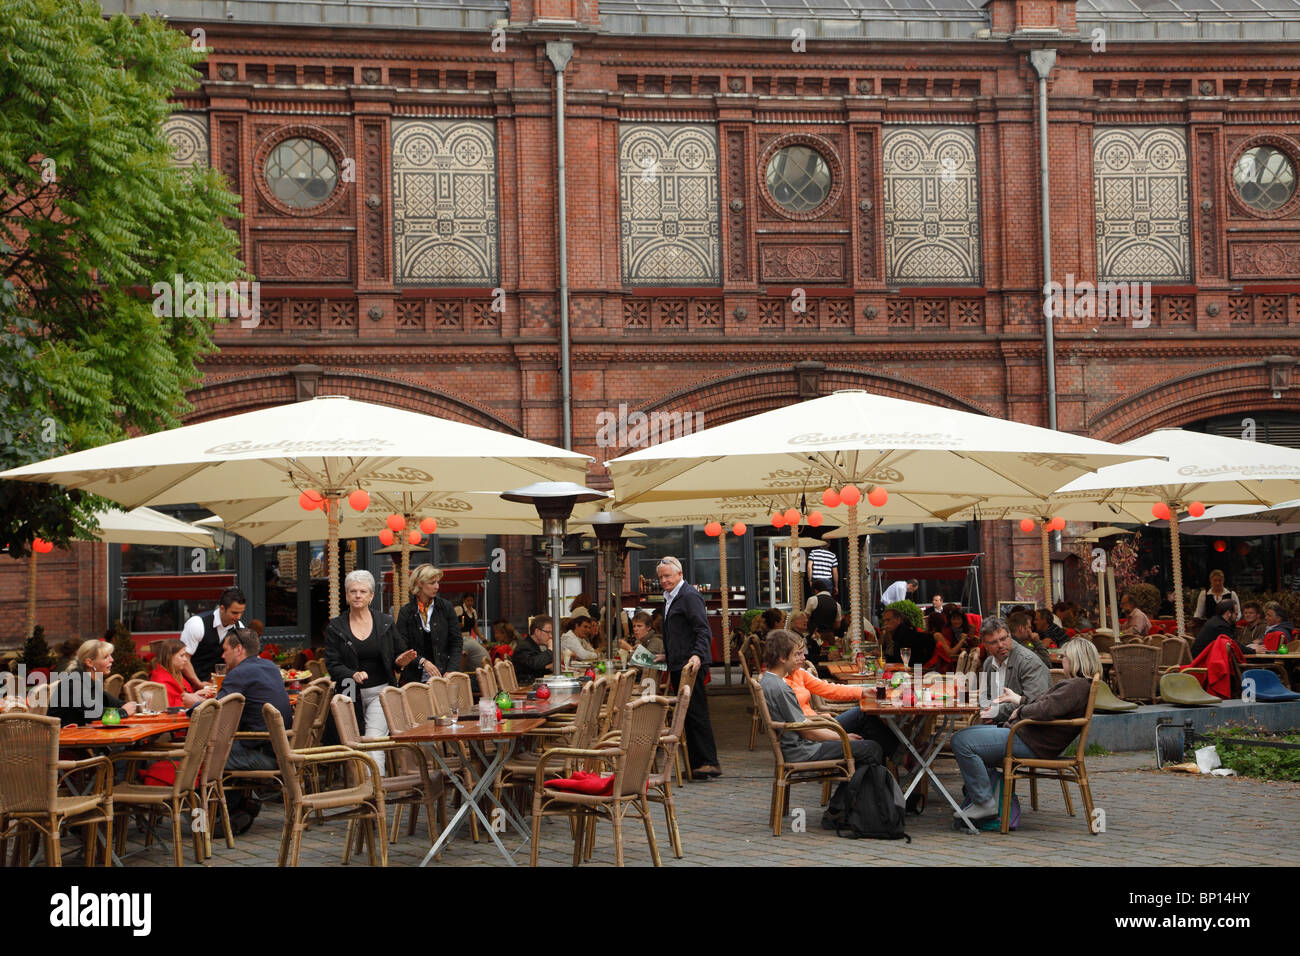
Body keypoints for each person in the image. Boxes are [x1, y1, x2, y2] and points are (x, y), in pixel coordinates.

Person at [950, 638, 1102, 822]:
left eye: (1065, 657)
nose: (1062, 660)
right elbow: (1047, 705)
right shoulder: (1078, 685)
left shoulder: (1076, 686)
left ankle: (984, 804)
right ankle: (986, 802)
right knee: (967, 737)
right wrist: (1018, 700)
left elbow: (1046, 709)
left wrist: (1020, 710)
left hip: (1030, 741)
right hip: (1030, 738)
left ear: (1076, 660)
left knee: (961, 740)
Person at [325, 569, 418, 772]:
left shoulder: (385, 622)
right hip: (350, 692)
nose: (358, 595)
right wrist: (351, 673)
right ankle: (364, 786)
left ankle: (376, 790)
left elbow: (399, 654)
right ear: (347, 595)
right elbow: (332, 664)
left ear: (371, 596)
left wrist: (401, 661)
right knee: (355, 744)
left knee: (373, 741)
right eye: (353, 591)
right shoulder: (336, 626)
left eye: (362, 591)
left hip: (380, 692)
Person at [759, 629, 882, 767]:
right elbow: (806, 732)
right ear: (782, 657)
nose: (802, 658)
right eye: (796, 654)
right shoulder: (781, 688)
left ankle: (862, 783)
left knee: (867, 742)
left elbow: (826, 691)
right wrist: (844, 737)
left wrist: (862, 691)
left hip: (806, 738)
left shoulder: (768, 681)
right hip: (805, 749)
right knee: (871, 748)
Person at [658, 556, 722, 778]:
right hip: (679, 662)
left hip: (690, 665)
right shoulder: (671, 596)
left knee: (695, 711)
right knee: (687, 713)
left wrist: (696, 655)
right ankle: (697, 765)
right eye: (661, 577)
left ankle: (708, 762)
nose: (664, 580)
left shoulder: (688, 595)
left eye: (667, 576)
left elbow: (702, 630)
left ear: (679, 574)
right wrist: (667, 654)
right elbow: (678, 632)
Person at [218, 628, 293, 771]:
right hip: (283, 751)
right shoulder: (270, 666)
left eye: (225, 650)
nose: (222, 656)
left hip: (262, 755)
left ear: (238, 649)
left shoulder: (239, 673)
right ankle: (237, 793)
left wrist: (193, 704)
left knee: (200, 756)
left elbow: (214, 712)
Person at [394, 564, 461, 684]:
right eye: (432, 583)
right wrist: (422, 661)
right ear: (419, 584)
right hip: (414, 680)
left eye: (438, 582)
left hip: (444, 677)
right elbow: (402, 648)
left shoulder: (446, 607)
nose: (437, 587)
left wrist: (451, 670)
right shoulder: (406, 612)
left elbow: (456, 642)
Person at [47, 639, 138, 726]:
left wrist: (126, 706)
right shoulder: (74, 683)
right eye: (106, 657)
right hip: (63, 737)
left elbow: (114, 703)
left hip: (80, 733)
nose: (112, 660)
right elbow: (94, 713)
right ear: (90, 663)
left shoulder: (90, 681)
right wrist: (124, 712)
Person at [977, 616, 1050, 724]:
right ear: (985, 646)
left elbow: (1034, 702)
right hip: (998, 725)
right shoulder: (988, 663)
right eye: (993, 642)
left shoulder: (1028, 662)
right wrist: (986, 709)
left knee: (960, 739)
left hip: (1025, 729)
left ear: (1010, 636)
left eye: (1003, 639)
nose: (1000, 645)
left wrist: (996, 712)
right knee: (962, 736)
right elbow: (985, 695)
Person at [179, 586, 248, 686]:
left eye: (241, 613)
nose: (238, 617)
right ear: (222, 608)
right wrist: (198, 684)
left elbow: (240, 660)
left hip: (218, 686)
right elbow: (184, 658)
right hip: (189, 685)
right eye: (234, 613)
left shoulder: (239, 628)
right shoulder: (197, 624)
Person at [148, 638, 215, 709]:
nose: (185, 660)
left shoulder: (175, 674)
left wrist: (197, 695)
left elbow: (183, 696)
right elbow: (171, 708)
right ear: (169, 657)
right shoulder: (161, 680)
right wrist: (194, 697)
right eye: (182, 656)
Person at [803, 578, 841, 659]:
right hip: (830, 637)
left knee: (818, 658)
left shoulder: (812, 600)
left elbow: (805, 619)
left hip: (816, 636)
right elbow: (838, 625)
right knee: (831, 658)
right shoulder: (836, 604)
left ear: (816, 590)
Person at [514, 615, 555, 682]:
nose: (550, 636)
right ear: (537, 632)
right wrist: (550, 650)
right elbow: (534, 664)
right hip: (525, 687)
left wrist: (549, 668)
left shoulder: (532, 644)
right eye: (548, 632)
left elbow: (534, 669)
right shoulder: (524, 646)